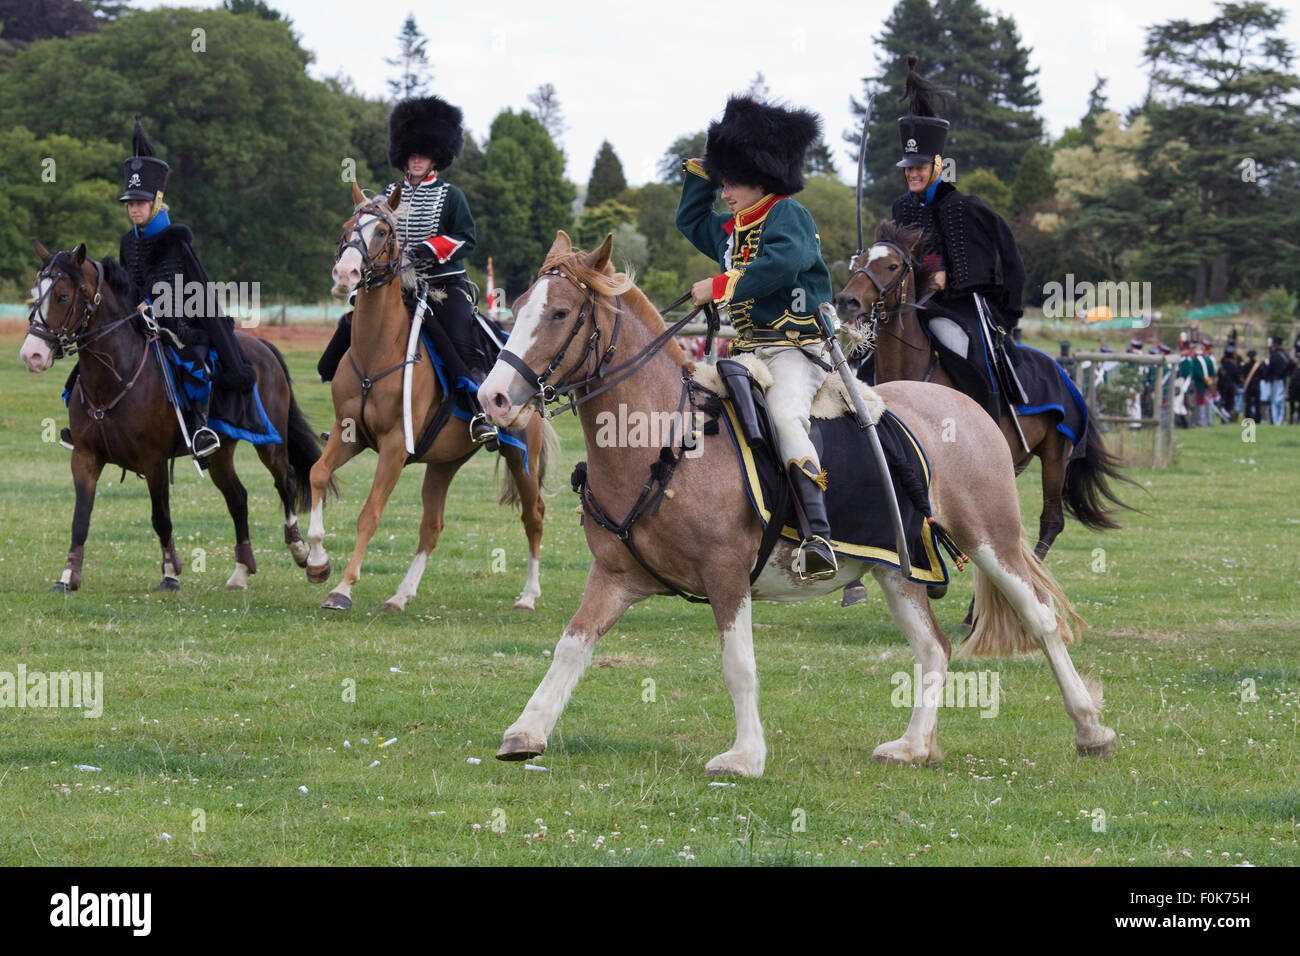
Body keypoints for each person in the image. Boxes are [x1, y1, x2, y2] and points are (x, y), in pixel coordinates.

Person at [676, 95, 837, 581]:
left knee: (786, 418)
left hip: (796, 350)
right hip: (748, 353)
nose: (726, 192)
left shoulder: (788, 213)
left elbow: (780, 265)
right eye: (723, 181)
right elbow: (690, 221)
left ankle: (817, 535)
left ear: (762, 175)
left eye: (734, 180)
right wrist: (706, 168)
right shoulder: (734, 228)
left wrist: (718, 285)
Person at [318, 95, 494, 445]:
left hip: (443, 284)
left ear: (435, 158)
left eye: (423, 155)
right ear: (403, 156)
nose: (416, 160)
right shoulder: (386, 194)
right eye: (412, 154)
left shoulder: (450, 196)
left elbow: (466, 239)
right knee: (350, 324)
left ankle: (478, 412)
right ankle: (346, 416)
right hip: (394, 286)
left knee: (459, 340)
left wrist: (426, 250)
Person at [104, 120, 255, 459]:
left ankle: (200, 428)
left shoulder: (175, 241)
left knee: (195, 365)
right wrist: (132, 305)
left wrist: (155, 308)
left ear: (156, 202)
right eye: (129, 202)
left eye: (140, 202)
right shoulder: (127, 241)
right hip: (137, 318)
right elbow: (128, 281)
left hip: (181, 319)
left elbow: (183, 288)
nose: (133, 208)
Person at [889, 56, 1027, 422]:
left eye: (919, 167)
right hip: (912, 304)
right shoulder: (900, 207)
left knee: (961, 348)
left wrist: (1009, 311)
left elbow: (1010, 255)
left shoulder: (967, 207)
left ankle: (988, 424)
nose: (913, 174)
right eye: (909, 169)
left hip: (961, 306)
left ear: (937, 165)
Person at [1262, 336, 1294, 425]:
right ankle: (1279, 420)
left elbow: (1269, 368)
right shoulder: (1285, 355)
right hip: (1284, 380)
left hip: (1276, 380)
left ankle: (1276, 421)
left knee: (1275, 402)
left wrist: (1267, 376)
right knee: (1281, 402)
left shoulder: (1275, 355)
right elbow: (1292, 365)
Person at [1242, 349, 1264, 423]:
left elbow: (1243, 375)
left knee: (1248, 403)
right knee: (1257, 403)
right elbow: (1262, 375)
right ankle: (1258, 419)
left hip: (1248, 386)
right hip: (1256, 386)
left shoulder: (1245, 365)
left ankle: (1248, 418)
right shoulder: (1258, 366)